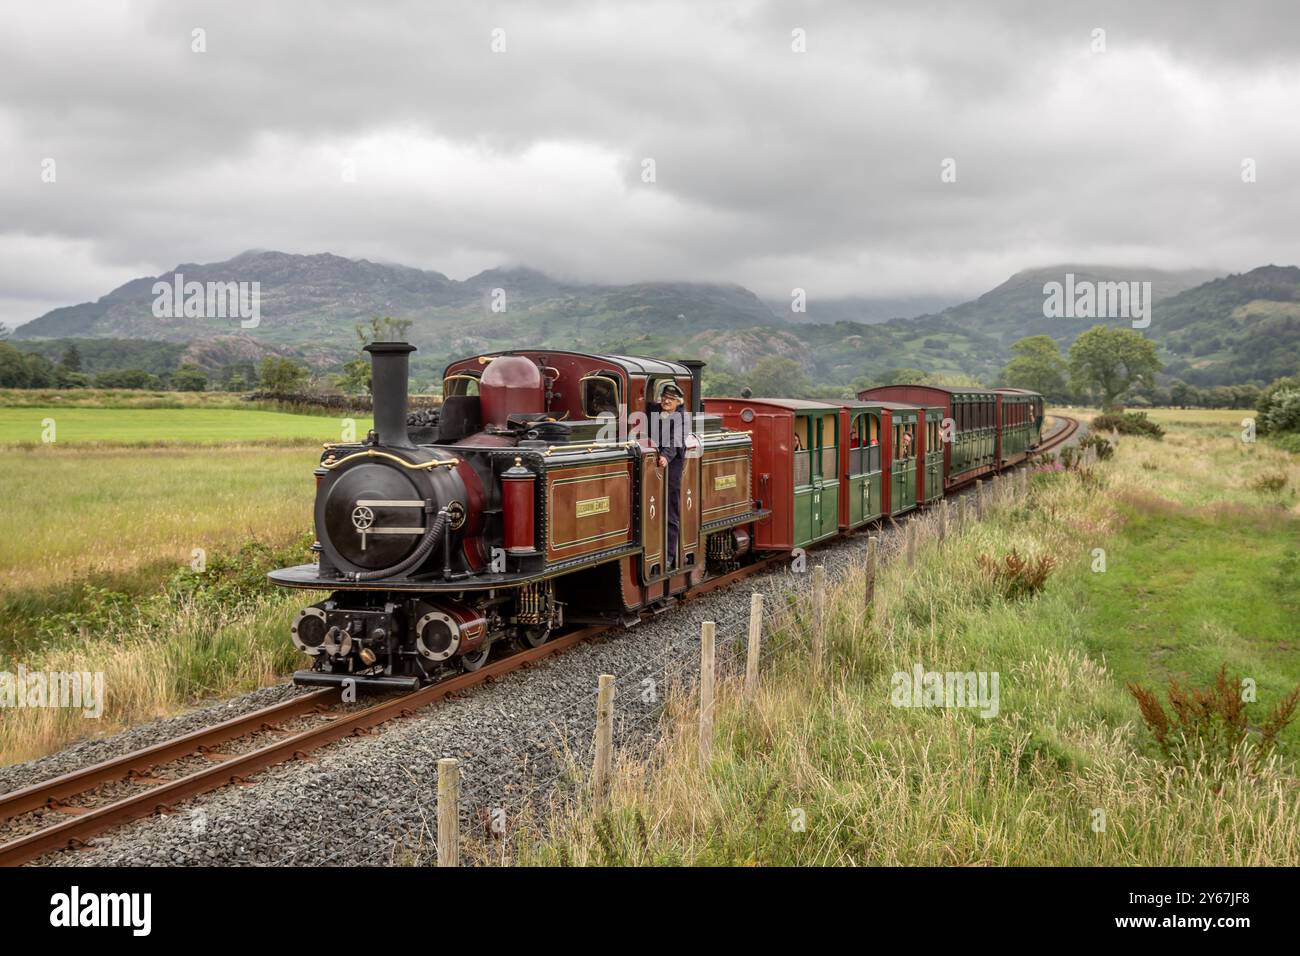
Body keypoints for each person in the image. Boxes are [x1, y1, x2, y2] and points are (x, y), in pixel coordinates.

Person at [652, 382, 689, 571]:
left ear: (678, 402)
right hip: (654, 462)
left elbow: (675, 440)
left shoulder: (682, 417)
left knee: (670, 509)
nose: (666, 401)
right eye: (665, 397)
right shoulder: (655, 411)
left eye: (671, 399)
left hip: (673, 465)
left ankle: (669, 555)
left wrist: (665, 456)